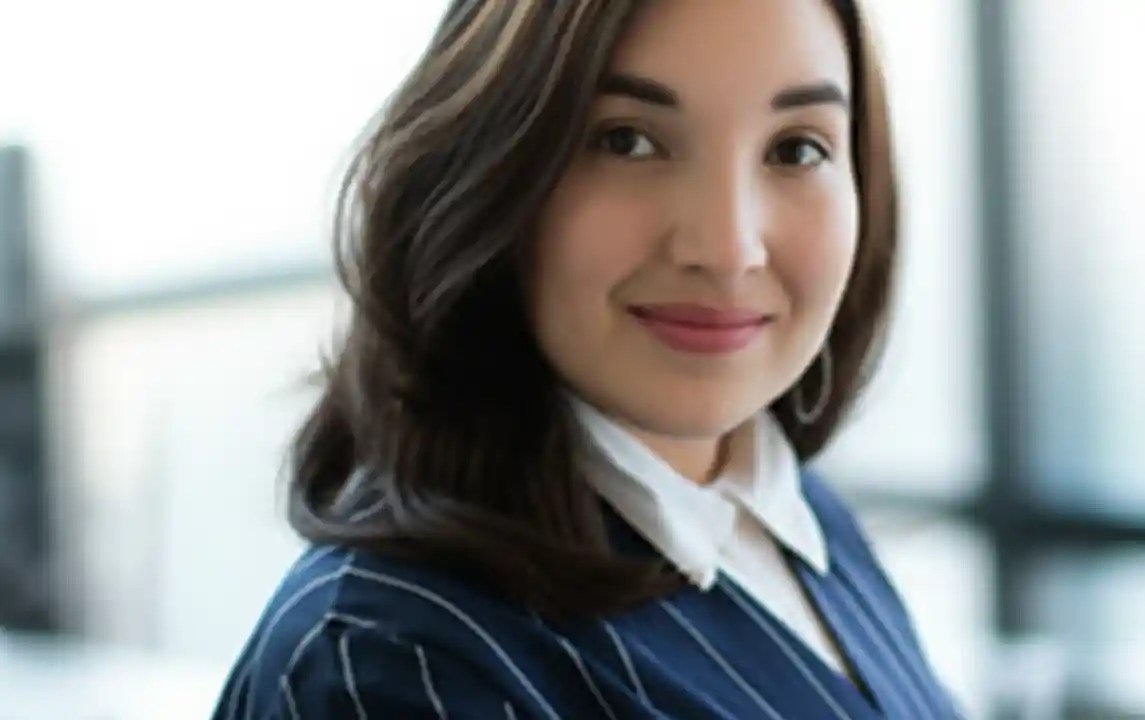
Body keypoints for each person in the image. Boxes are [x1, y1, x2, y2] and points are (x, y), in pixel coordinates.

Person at [213, 0, 961, 717]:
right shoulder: (396, 661)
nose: (728, 248)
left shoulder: (788, 514)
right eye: (627, 140)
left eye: (796, 149)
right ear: (488, 168)